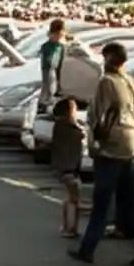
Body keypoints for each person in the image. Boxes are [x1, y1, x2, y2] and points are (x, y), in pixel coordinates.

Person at [69, 42, 134, 264]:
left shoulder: (107, 82)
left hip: (112, 149)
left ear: (110, 59)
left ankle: (87, 249)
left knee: (101, 202)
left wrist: (96, 144)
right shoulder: (133, 82)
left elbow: (98, 118)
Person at [51, 97, 86, 238]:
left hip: (64, 167)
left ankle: (67, 226)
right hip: (69, 168)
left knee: (68, 198)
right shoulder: (68, 128)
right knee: (73, 199)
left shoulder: (59, 126)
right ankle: (70, 228)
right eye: (74, 109)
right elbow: (81, 135)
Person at [39, 19, 66, 105]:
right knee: (49, 88)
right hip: (49, 70)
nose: (59, 36)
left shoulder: (61, 47)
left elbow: (61, 64)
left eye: (60, 35)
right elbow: (47, 63)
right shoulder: (46, 46)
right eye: (57, 34)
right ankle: (46, 101)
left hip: (56, 72)